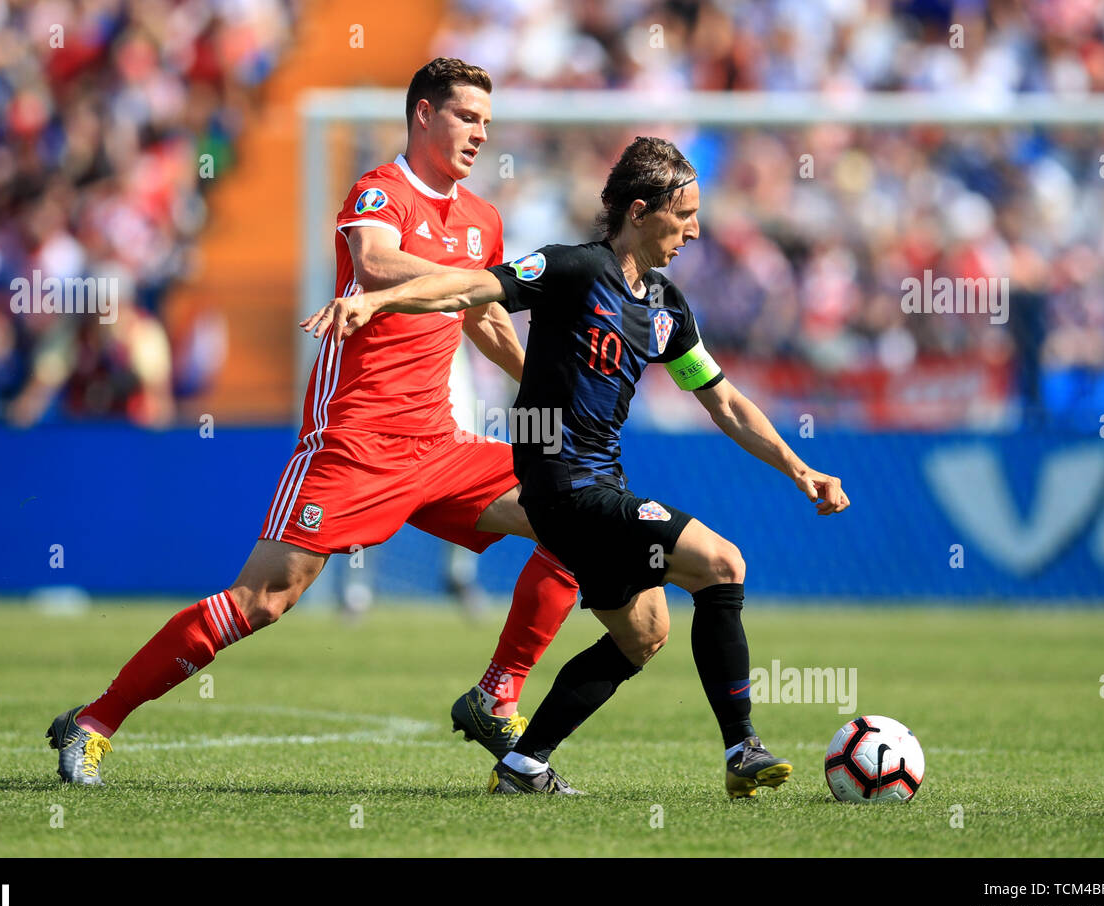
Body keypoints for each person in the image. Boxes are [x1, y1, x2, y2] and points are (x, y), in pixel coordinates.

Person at [45, 58, 580, 785]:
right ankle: (95, 719)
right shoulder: (379, 192)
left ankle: (495, 696)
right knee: (262, 599)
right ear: (423, 114)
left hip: (442, 443)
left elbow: (484, 317)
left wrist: (543, 385)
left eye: (488, 120)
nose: (481, 133)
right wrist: (463, 282)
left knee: (581, 520)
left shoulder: (482, 219)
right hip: (354, 444)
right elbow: (378, 264)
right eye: (466, 116)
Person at [302, 136, 851, 797]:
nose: (696, 229)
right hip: (561, 487)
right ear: (641, 212)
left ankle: (523, 763)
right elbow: (478, 284)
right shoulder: (573, 269)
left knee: (644, 633)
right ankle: (742, 748)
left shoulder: (667, 308)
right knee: (723, 563)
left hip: (601, 486)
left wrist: (800, 468)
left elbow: (725, 401)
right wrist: (378, 300)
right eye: (685, 215)